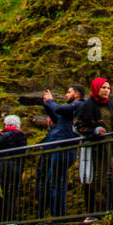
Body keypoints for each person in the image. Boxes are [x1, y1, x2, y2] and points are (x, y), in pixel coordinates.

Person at [74, 78, 113, 211]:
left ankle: (110, 210)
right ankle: (91, 212)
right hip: (93, 148)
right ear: (96, 88)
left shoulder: (112, 106)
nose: (106, 90)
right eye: (103, 87)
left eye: (108, 88)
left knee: (110, 177)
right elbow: (77, 126)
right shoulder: (86, 106)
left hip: (109, 148)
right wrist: (93, 130)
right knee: (91, 178)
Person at [39, 87, 82, 218]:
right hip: (61, 147)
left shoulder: (79, 105)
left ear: (77, 94)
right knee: (55, 181)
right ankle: (57, 213)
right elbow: (57, 117)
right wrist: (47, 104)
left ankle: (59, 215)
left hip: (65, 148)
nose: (66, 94)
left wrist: (51, 101)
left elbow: (58, 109)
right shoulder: (68, 112)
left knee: (56, 182)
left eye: (69, 92)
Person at [0, 115, 28, 223]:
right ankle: (11, 220)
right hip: (17, 166)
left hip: (3, 166)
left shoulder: (5, 135)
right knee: (12, 193)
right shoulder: (22, 136)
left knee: (1, 193)